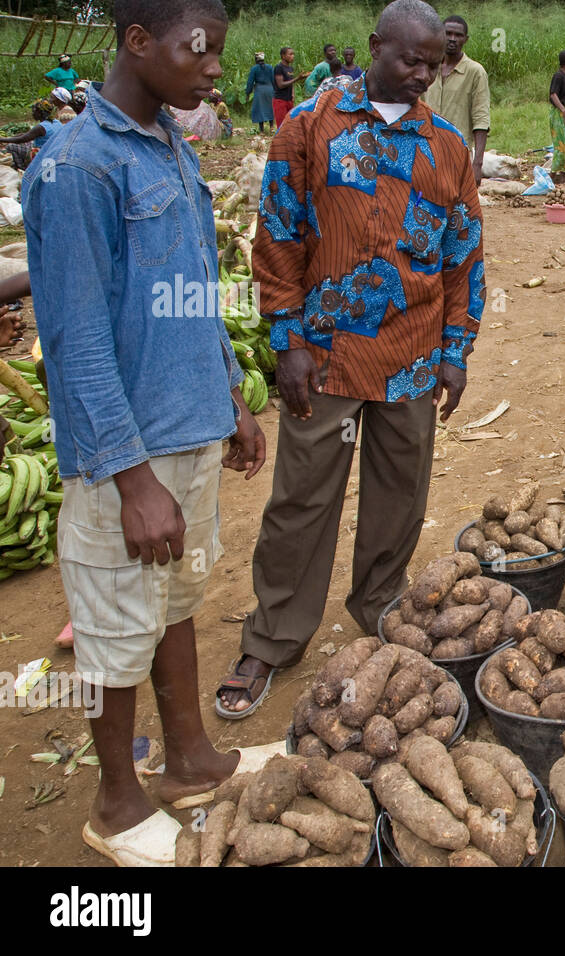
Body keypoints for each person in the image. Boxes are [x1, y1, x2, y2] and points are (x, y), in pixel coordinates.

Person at [22, 0, 271, 867]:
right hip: (128, 456)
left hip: (189, 432)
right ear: (136, 42)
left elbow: (198, 287)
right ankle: (117, 802)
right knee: (113, 631)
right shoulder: (78, 167)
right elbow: (77, 338)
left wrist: (232, 395)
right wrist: (131, 480)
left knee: (176, 603)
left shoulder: (165, 141)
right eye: (198, 50)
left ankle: (190, 759)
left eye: (218, 52)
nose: (213, 68)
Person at [217, 0, 485, 718]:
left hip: (411, 357)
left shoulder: (448, 147)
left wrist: (455, 353)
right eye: (411, 60)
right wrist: (289, 339)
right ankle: (272, 637)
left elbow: (463, 258)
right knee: (303, 499)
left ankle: (381, 611)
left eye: (434, 63)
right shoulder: (311, 124)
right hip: (327, 358)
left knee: (401, 498)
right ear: (374, 47)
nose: (425, 75)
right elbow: (276, 237)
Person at [420, 14, 490, 184]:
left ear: (465, 39)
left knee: (458, 208)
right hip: (427, 152)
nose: (452, 39)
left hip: (458, 155)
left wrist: (477, 164)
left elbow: (481, 119)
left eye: (458, 35)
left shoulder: (475, 72)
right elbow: (417, 108)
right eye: (448, 33)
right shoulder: (428, 69)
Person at [0, 100, 59, 171]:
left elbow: (20, 139)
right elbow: (26, 135)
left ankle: (23, 168)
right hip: (53, 151)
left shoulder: (41, 127)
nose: (33, 113)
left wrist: (2, 139)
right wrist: (9, 138)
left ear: (40, 113)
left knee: (11, 146)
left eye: (34, 111)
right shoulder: (56, 122)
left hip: (43, 154)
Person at [549, 50, 565, 176]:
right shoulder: (558, 76)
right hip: (558, 113)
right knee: (561, 143)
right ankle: (555, 174)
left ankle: (561, 172)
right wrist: (563, 110)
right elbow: (553, 94)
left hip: (564, 112)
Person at [273, 46, 307, 129]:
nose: (293, 56)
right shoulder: (279, 68)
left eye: (293, 54)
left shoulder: (290, 68)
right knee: (282, 126)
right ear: (283, 56)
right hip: (280, 100)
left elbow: (290, 82)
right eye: (290, 54)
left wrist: (292, 94)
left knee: (290, 124)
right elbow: (280, 85)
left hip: (289, 100)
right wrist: (297, 78)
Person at [245, 51, 275, 133]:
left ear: (256, 59)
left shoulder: (254, 68)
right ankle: (272, 127)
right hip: (270, 89)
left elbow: (250, 82)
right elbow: (274, 80)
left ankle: (261, 130)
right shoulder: (270, 67)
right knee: (270, 107)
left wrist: (248, 93)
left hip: (259, 90)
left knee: (260, 109)